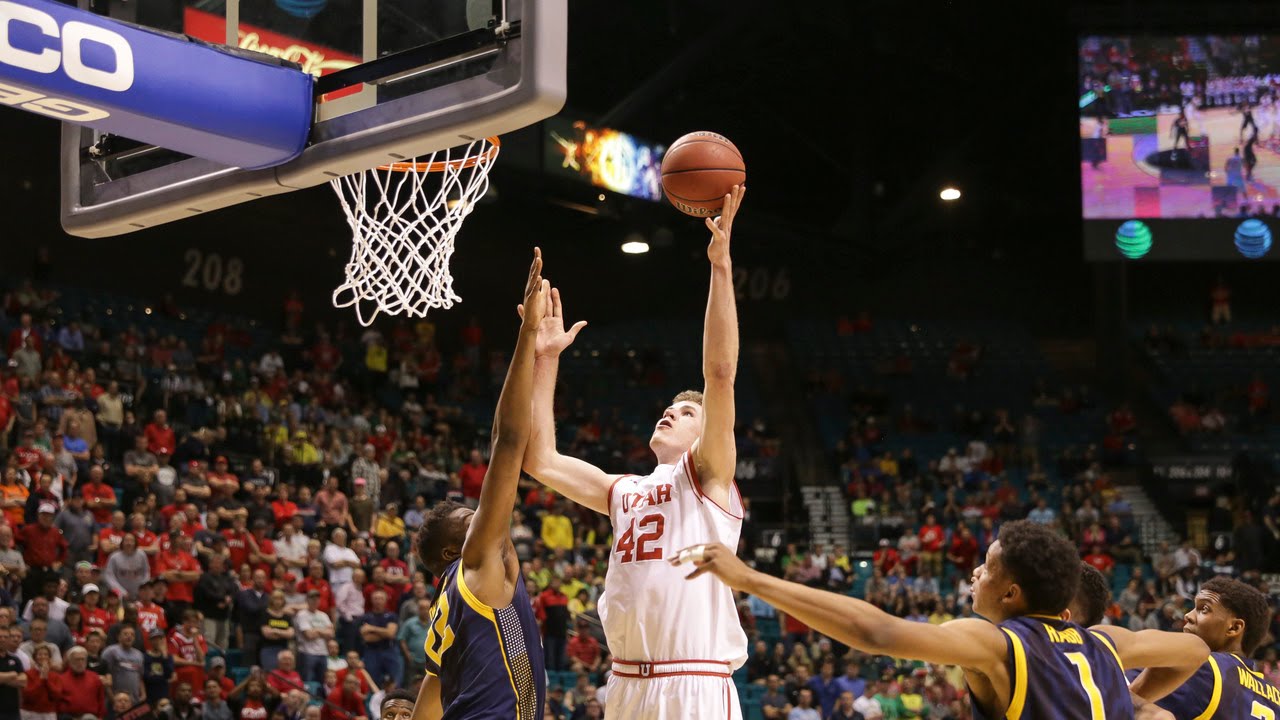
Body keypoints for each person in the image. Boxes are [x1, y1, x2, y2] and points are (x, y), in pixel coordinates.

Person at [522, 186, 749, 718]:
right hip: (625, 683)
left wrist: (720, 267)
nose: (670, 412)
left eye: (687, 413)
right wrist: (545, 359)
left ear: (707, 432)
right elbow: (539, 459)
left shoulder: (709, 476)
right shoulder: (624, 491)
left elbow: (719, 374)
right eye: (669, 408)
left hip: (694, 683)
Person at [677, 519, 1211, 719]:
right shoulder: (1105, 643)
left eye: (988, 565)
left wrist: (750, 579)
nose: (975, 572)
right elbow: (1195, 651)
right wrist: (1138, 702)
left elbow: (877, 632)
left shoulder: (997, 642)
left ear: (1012, 591)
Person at [411, 250, 548, 718]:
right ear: (454, 551)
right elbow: (507, 440)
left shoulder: (446, 606)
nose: (488, 516)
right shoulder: (478, 560)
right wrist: (527, 334)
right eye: (472, 519)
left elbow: (431, 690)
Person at [1129, 576, 1279, 718]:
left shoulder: (1205, 668)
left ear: (1234, 627)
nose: (1187, 615)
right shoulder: (1275, 698)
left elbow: (1113, 690)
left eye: (1204, 609)